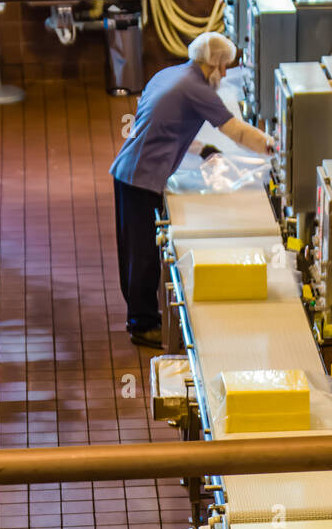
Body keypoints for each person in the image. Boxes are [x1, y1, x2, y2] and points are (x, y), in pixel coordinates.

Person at [109, 31, 276, 347]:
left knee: (133, 252)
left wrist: (200, 149)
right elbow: (238, 132)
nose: (225, 74)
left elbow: (162, 122)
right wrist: (273, 147)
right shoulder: (197, 89)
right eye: (224, 66)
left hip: (129, 171)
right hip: (140, 178)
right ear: (213, 64)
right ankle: (143, 325)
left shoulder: (171, 74)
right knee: (142, 255)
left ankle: (141, 317)